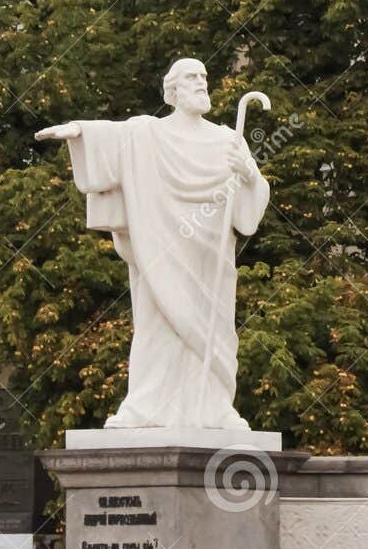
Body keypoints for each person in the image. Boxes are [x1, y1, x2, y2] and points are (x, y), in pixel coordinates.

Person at [36, 59, 269, 430]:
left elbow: (252, 203)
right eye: (191, 77)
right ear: (172, 90)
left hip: (210, 253)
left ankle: (216, 406)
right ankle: (144, 407)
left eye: (204, 77)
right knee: (156, 324)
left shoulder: (228, 140)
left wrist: (248, 175)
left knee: (214, 327)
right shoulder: (149, 133)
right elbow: (113, 137)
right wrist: (78, 131)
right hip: (159, 247)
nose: (201, 82)